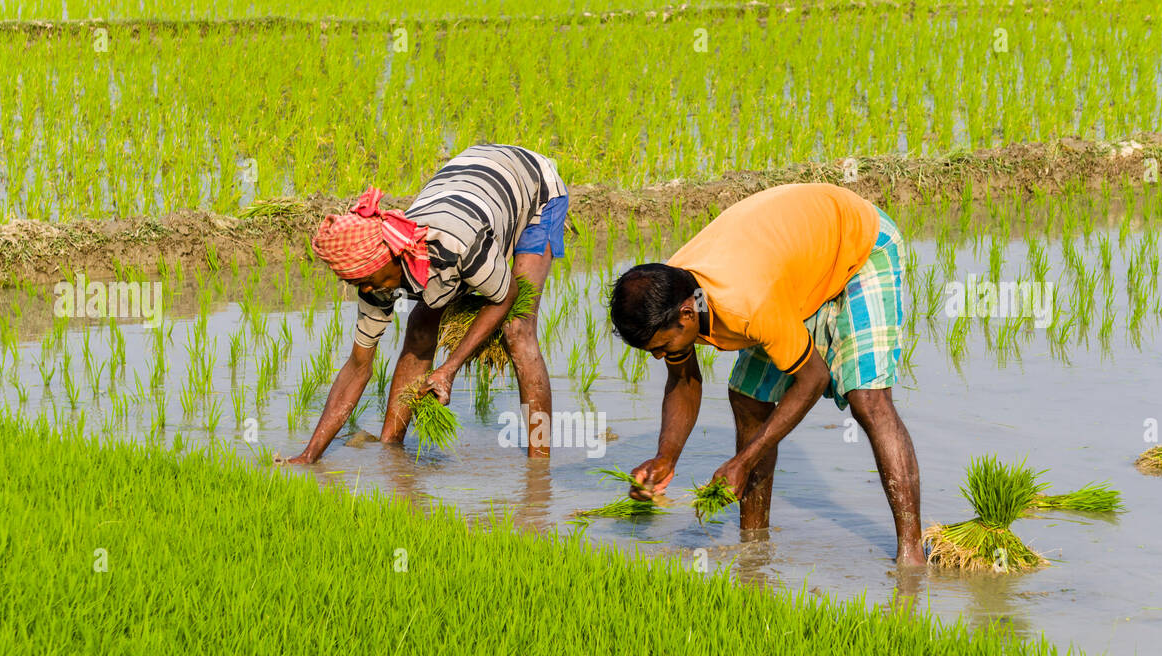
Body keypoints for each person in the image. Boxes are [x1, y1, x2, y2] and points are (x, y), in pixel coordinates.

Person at [608, 183, 925, 565]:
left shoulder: (747, 305)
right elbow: (683, 379)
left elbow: (814, 377)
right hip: (793, 261)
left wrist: (742, 461)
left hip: (859, 244)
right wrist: (665, 457)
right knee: (748, 397)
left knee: (868, 399)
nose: (661, 357)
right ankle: (753, 550)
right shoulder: (673, 290)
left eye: (661, 347)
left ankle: (911, 556)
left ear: (687, 315)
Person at [290, 143, 568, 462]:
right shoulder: (371, 282)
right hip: (468, 183)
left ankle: (539, 466)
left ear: (392, 257)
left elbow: (507, 296)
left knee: (517, 330)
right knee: (420, 327)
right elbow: (357, 367)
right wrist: (308, 456)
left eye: (366, 279)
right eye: (356, 283)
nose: (365, 288)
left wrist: (448, 369)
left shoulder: (458, 244)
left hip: (532, 186)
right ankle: (391, 451)